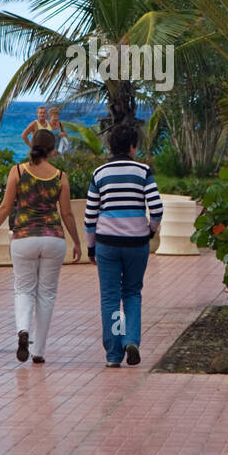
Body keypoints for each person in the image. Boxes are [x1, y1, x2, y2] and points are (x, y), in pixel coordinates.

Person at [0, 129, 81, 364]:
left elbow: (5, 208)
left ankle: (23, 330)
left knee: (24, 290)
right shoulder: (60, 176)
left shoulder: (17, 172)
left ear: (32, 146)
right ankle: (39, 351)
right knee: (46, 294)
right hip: (53, 238)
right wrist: (76, 241)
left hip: (24, 238)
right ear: (52, 150)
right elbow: (66, 213)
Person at [85, 124, 161, 368]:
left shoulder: (99, 173)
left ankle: (114, 354)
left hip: (107, 243)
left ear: (111, 146)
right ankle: (131, 340)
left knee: (110, 297)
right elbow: (157, 208)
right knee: (132, 292)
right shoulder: (143, 171)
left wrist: (91, 247)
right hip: (137, 243)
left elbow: (90, 215)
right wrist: (150, 229)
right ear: (132, 147)